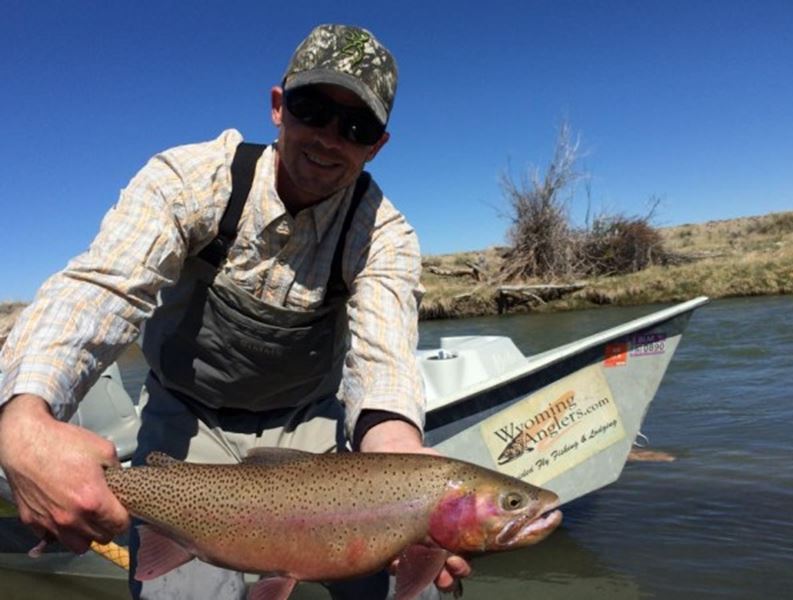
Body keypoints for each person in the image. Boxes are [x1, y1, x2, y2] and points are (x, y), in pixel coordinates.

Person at [0, 24, 470, 599]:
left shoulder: (385, 234)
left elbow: (385, 364)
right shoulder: (192, 179)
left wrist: (400, 471)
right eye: (311, 108)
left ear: (377, 146)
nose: (327, 138)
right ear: (278, 106)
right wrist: (24, 417)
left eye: (355, 126)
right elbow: (101, 290)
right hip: (186, 423)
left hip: (314, 433)